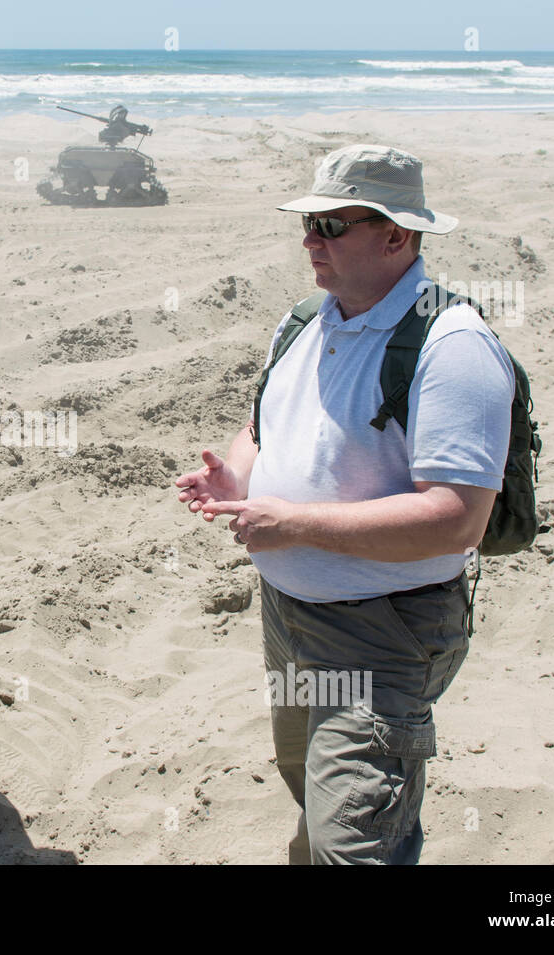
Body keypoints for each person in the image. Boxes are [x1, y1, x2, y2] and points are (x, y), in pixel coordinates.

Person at [175, 144, 515, 864]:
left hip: (382, 629)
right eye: (308, 223)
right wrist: (239, 478)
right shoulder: (307, 319)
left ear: (397, 235)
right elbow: (264, 423)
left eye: (331, 225)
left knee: (356, 843)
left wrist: (290, 522)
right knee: (310, 786)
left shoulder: (452, 345)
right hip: (288, 614)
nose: (310, 240)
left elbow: (458, 516)